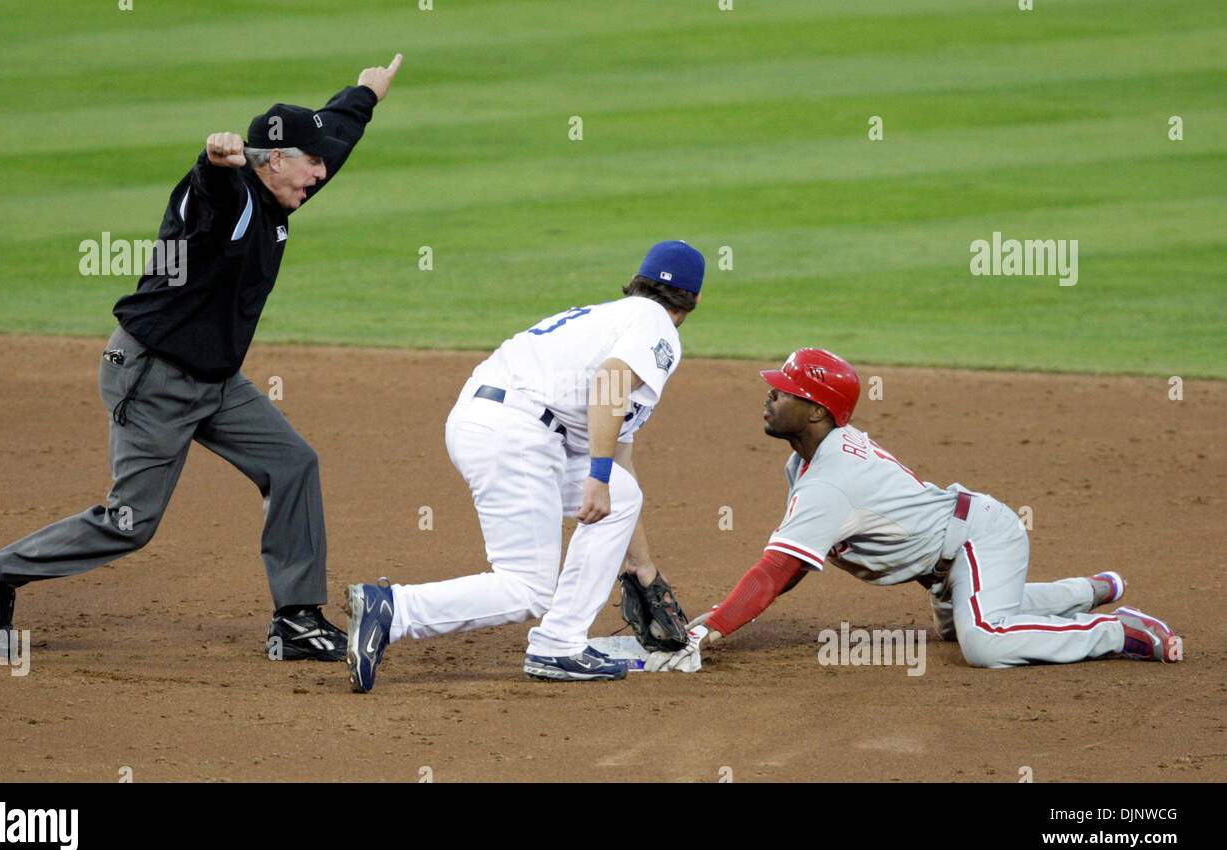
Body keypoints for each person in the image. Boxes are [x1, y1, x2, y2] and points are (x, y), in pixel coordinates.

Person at [0, 55, 404, 662]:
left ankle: (296, 618)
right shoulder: (230, 199)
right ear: (272, 160)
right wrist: (213, 162)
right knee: (130, 523)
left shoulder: (286, 176)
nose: (322, 174)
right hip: (153, 377)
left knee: (293, 463)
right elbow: (213, 193)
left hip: (216, 381)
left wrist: (364, 96)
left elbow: (332, 134)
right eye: (311, 163)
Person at [646, 348, 1184, 672]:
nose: (769, 396)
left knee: (986, 645)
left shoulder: (831, 478)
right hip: (955, 557)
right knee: (969, 623)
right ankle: (1088, 590)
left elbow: (778, 569)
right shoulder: (811, 459)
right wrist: (716, 622)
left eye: (784, 391)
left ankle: (1118, 631)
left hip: (979, 540)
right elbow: (790, 567)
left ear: (815, 410)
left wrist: (710, 628)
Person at [344, 241, 705, 691]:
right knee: (528, 586)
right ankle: (395, 609)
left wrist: (643, 567)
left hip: (497, 423)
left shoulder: (610, 318)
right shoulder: (655, 325)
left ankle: (561, 640)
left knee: (624, 494)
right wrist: (596, 474)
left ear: (637, 280)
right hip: (516, 433)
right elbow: (610, 382)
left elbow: (620, 461)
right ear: (695, 299)